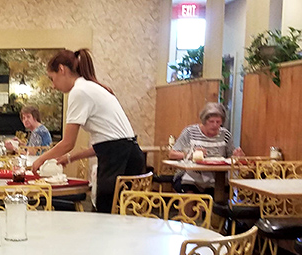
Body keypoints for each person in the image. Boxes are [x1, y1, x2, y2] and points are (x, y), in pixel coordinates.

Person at [31, 49, 145, 213]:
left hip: (117, 161)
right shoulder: (92, 87)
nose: (53, 85)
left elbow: (68, 143)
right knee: (119, 218)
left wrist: (40, 159)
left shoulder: (79, 92)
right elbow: (109, 143)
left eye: (52, 78)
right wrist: (69, 158)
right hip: (132, 155)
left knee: (107, 219)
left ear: (62, 69)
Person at [169, 102, 243, 192]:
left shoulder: (225, 135)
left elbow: (230, 157)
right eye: (211, 121)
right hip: (189, 176)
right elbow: (172, 154)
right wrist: (191, 154)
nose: (215, 125)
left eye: (218, 122)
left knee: (221, 192)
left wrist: (237, 156)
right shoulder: (190, 132)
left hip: (217, 178)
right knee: (190, 194)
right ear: (204, 121)